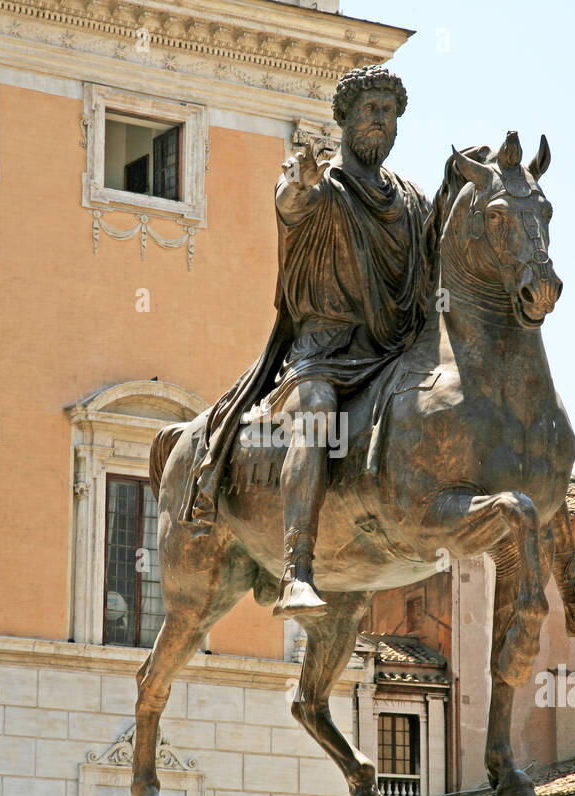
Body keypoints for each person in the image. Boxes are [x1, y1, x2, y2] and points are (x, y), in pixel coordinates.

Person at [178, 65, 432, 620]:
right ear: (344, 117)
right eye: (371, 110)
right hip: (322, 351)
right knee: (316, 413)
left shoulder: (411, 200)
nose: (381, 122)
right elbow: (291, 207)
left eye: (390, 113)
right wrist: (298, 186)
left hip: (390, 351)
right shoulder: (317, 182)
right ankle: (296, 567)